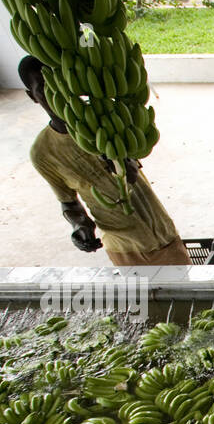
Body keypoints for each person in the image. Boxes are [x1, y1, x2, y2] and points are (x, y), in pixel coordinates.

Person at [19, 55, 191, 266]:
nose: (55, 93)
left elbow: (135, 155)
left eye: (59, 83)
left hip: (163, 233)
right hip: (121, 246)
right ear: (32, 96)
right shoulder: (43, 153)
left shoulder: (105, 117)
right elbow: (68, 202)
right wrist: (80, 226)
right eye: (44, 87)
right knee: (142, 298)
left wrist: (129, 162)